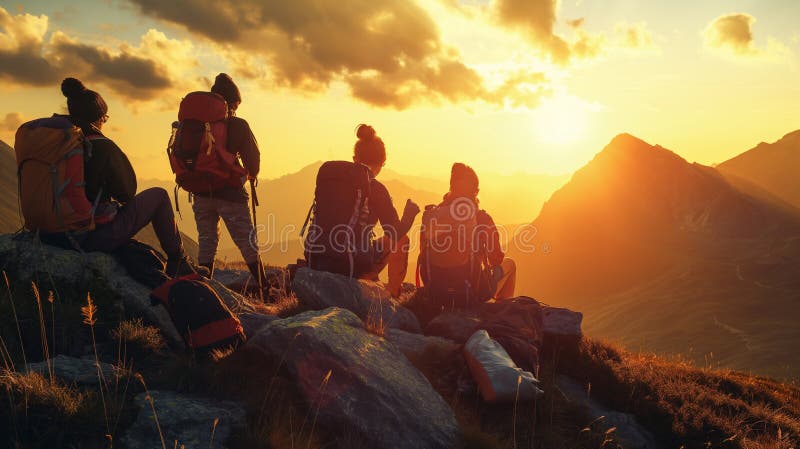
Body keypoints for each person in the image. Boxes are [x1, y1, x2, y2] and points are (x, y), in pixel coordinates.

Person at [51, 77, 195, 277]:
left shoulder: (52, 142)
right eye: (105, 118)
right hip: (86, 238)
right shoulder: (101, 146)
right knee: (159, 195)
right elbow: (127, 193)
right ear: (99, 117)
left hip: (48, 234)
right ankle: (179, 261)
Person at [305, 124, 420, 297]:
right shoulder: (376, 188)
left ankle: (371, 281)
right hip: (349, 264)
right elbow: (394, 233)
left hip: (316, 255)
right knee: (402, 240)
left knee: (365, 243)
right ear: (382, 163)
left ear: (355, 159)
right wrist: (410, 215)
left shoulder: (333, 178)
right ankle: (392, 294)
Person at [190, 73, 265, 288]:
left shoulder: (196, 125)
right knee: (246, 242)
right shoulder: (238, 124)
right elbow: (254, 161)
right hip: (230, 192)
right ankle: (263, 288)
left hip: (200, 191)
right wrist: (249, 173)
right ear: (231, 103)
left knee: (207, 241)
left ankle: (204, 286)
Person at [420, 163, 516, 307]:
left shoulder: (434, 215)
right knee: (510, 265)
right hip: (469, 290)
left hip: (435, 289)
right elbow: (496, 259)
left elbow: (423, 252)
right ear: (475, 192)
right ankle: (501, 311)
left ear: (451, 188)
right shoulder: (482, 218)